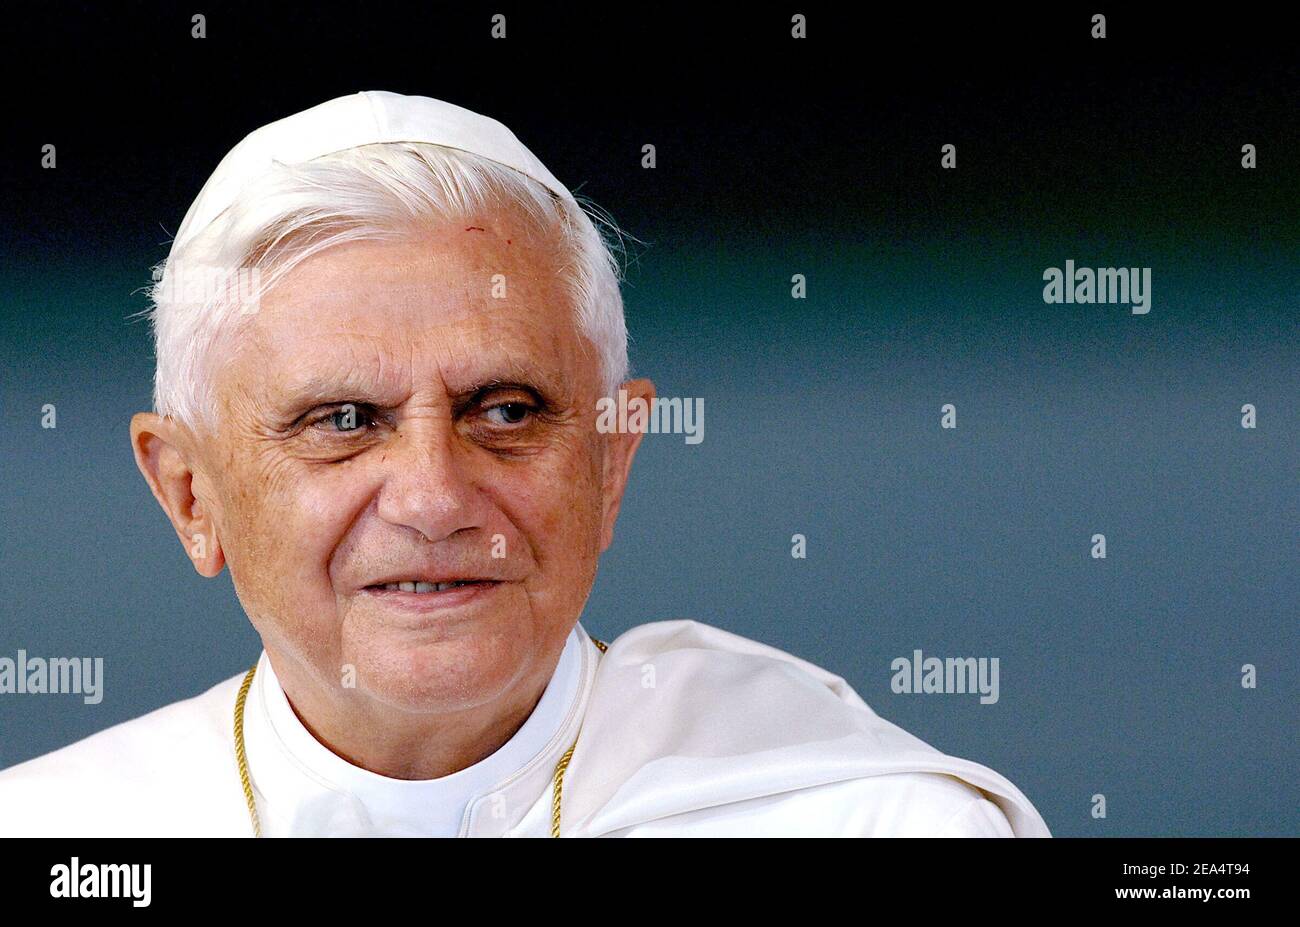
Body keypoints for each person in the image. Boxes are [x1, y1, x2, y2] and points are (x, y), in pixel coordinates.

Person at [0, 92, 1049, 837]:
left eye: (505, 411)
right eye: (343, 419)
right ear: (191, 494)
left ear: (611, 459)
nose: (433, 498)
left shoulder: (861, 823)